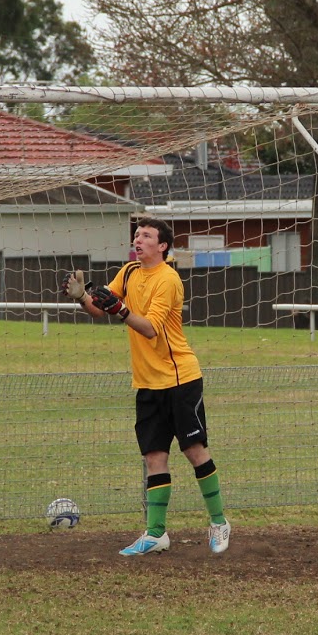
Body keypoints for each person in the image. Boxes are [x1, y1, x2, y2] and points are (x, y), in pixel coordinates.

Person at [62, 218, 229, 556]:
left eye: (147, 236)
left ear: (163, 246)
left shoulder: (168, 279)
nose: (138, 240)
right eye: (136, 235)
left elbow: (150, 328)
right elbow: (100, 309)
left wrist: (120, 310)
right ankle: (155, 534)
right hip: (147, 382)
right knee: (154, 456)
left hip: (180, 378)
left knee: (194, 451)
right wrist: (82, 298)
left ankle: (219, 522)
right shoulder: (128, 272)